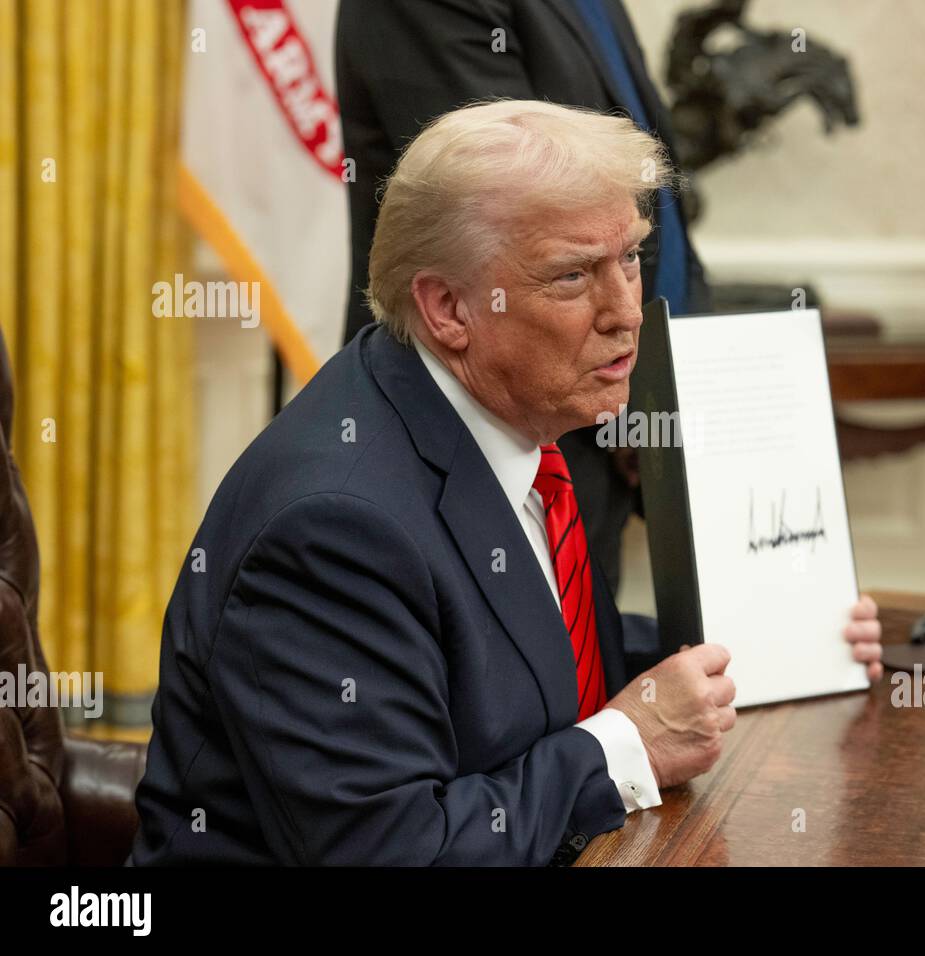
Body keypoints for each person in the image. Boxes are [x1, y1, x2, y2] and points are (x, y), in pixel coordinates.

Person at [129, 101, 883, 866]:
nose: (626, 312)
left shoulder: (513, 420)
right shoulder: (334, 527)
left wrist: (775, 644)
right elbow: (392, 852)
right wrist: (624, 748)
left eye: (629, 258)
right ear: (450, 308)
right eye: (572, 275)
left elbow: (530, 659)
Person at [335, 0, 712, 599]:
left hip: (600, 413)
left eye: (628, 263)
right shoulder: (347, 521)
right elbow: (508, 217)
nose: (626, 309)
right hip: (492, 420)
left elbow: (646, 197)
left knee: (580, 657)